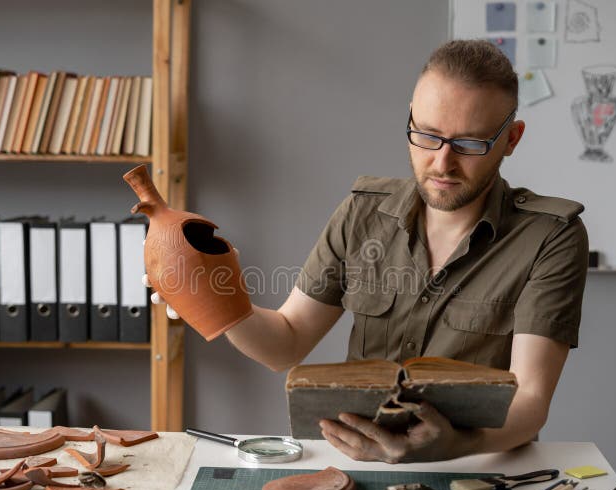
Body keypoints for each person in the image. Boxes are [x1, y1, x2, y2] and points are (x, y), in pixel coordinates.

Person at [147, 40, 589, 463]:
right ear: (410, 119)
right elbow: (286, 344)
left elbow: (531, 400)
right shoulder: (363, 212)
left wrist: (451, 446)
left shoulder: (551, 237)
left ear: (511, 139)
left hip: (483, 467)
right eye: (427, 135)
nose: (442, 163)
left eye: (470, 144)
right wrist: (213, 303)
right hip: (360, 464)